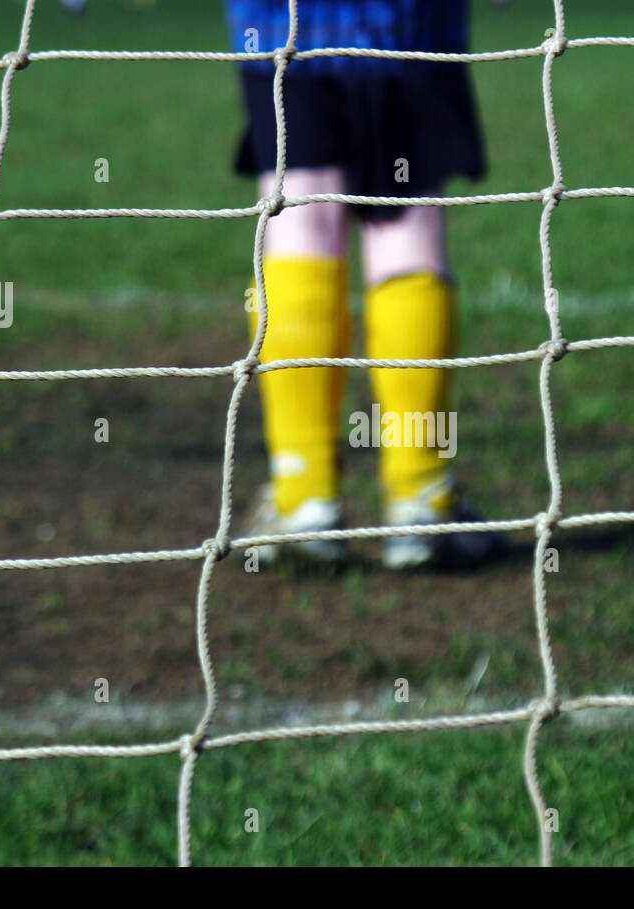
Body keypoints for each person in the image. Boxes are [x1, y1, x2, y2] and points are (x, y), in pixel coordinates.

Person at [226, 0, 503, 569]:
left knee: (300, 213)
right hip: (410, 26)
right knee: (407, 218)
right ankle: (421, 498)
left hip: (284, 26)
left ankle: (304, 500)